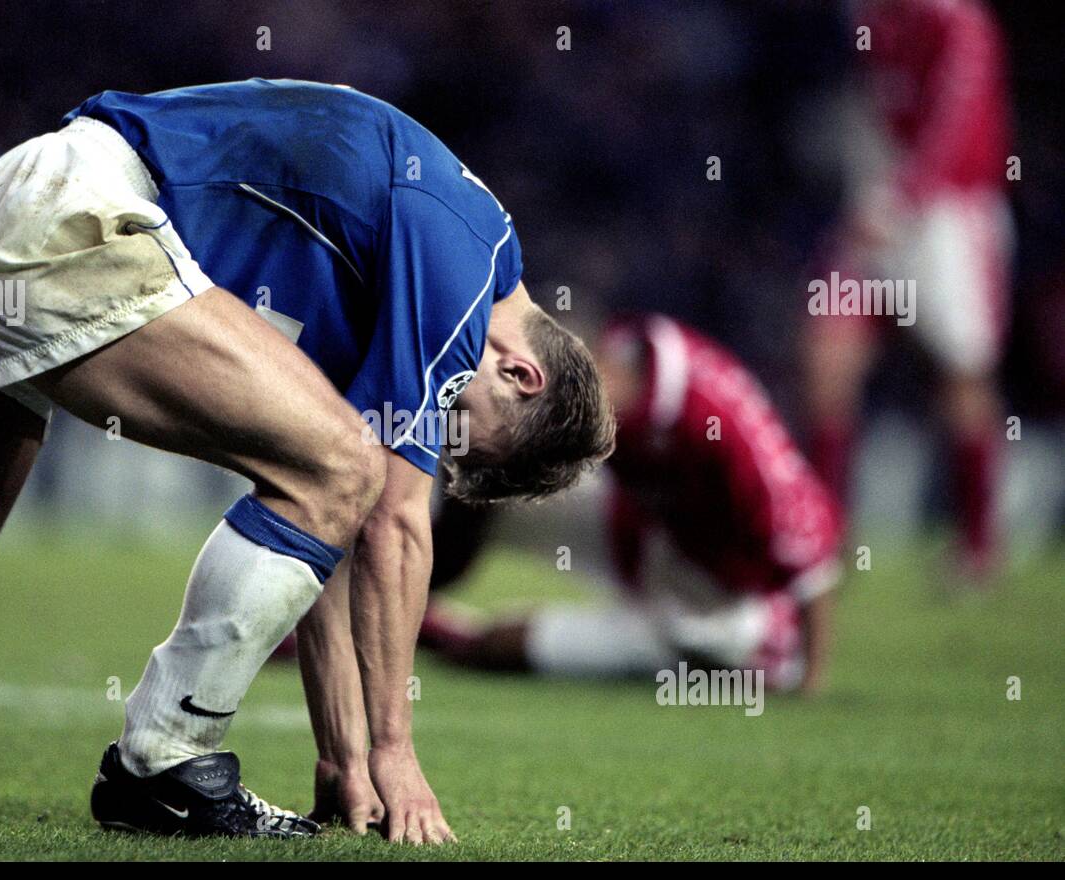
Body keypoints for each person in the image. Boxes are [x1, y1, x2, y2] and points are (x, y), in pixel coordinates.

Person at [0, 79, 615, 845]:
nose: (430, 429)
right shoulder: (470, 262)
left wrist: (343, 758)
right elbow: (388, 515)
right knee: (348, 468)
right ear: (519, 372)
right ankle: (160, 765)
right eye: (456, 425)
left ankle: (164, 761)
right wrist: (396, 752)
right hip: (75, 215)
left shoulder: (417, 271)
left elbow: (330, 527)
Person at [421, 314, 843, 693]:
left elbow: (812, 557)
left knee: (506, 648)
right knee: (486, 490)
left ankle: (432, 628)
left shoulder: (715, 421)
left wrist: (811, 680)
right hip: (639, 528)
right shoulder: (624, 348)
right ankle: (392, 579)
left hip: (716, 602)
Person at [804, 0, 1013, 579]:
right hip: (880, 203)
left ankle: (977, 544)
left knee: (962, 376)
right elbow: (870, 107)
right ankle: (824, 537)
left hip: (949, 217)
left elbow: (960, 115)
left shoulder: (958, 22)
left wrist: (906, 194)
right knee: (829, 360)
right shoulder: (866, 18)